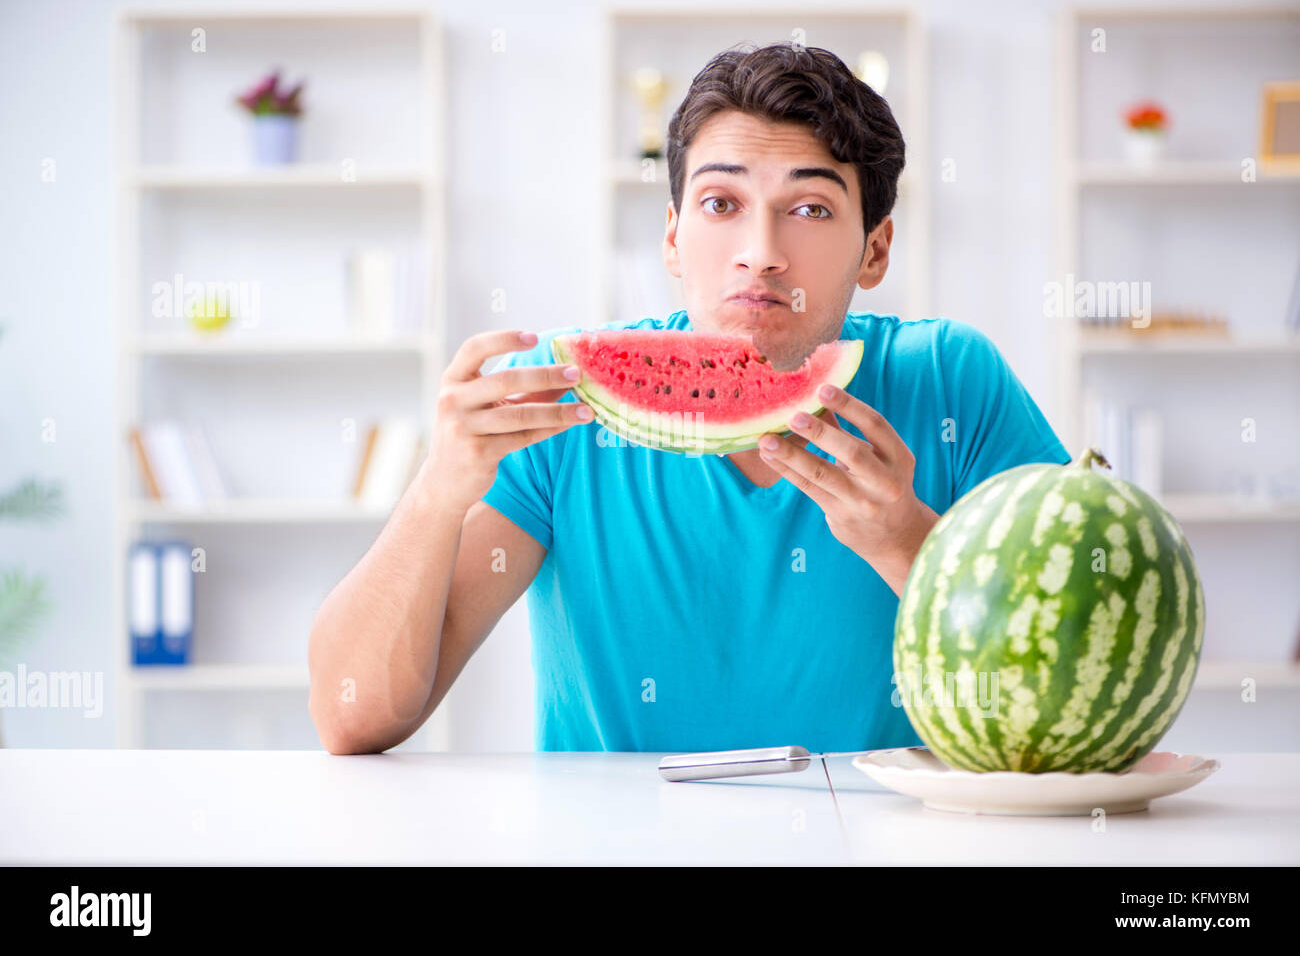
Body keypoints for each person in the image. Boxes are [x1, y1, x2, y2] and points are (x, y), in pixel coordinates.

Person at [308, 42, 1070, 755]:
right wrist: (438, 491)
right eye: (720, 203)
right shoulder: (562, 402)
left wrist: (910, 544)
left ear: (875, 249)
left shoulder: (952, 381)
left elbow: (1069, 696)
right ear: (671, 239)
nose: (761, 253)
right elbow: (353, 716)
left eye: (810, 209)